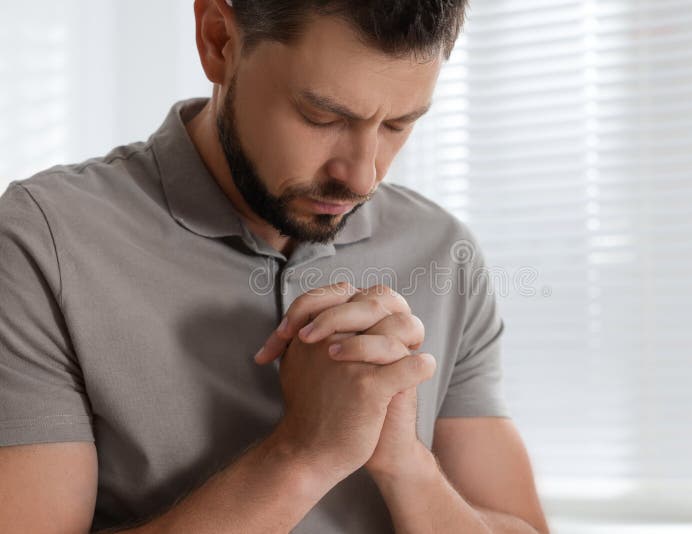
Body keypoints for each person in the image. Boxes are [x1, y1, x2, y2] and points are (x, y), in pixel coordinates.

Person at [0, 0, 549, 532]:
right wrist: (304, 452)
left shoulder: (442, 251)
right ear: (219, 40)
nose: (362, 177)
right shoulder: (43, 242)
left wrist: (406, 465)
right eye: (323, 116)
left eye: (397, 125)